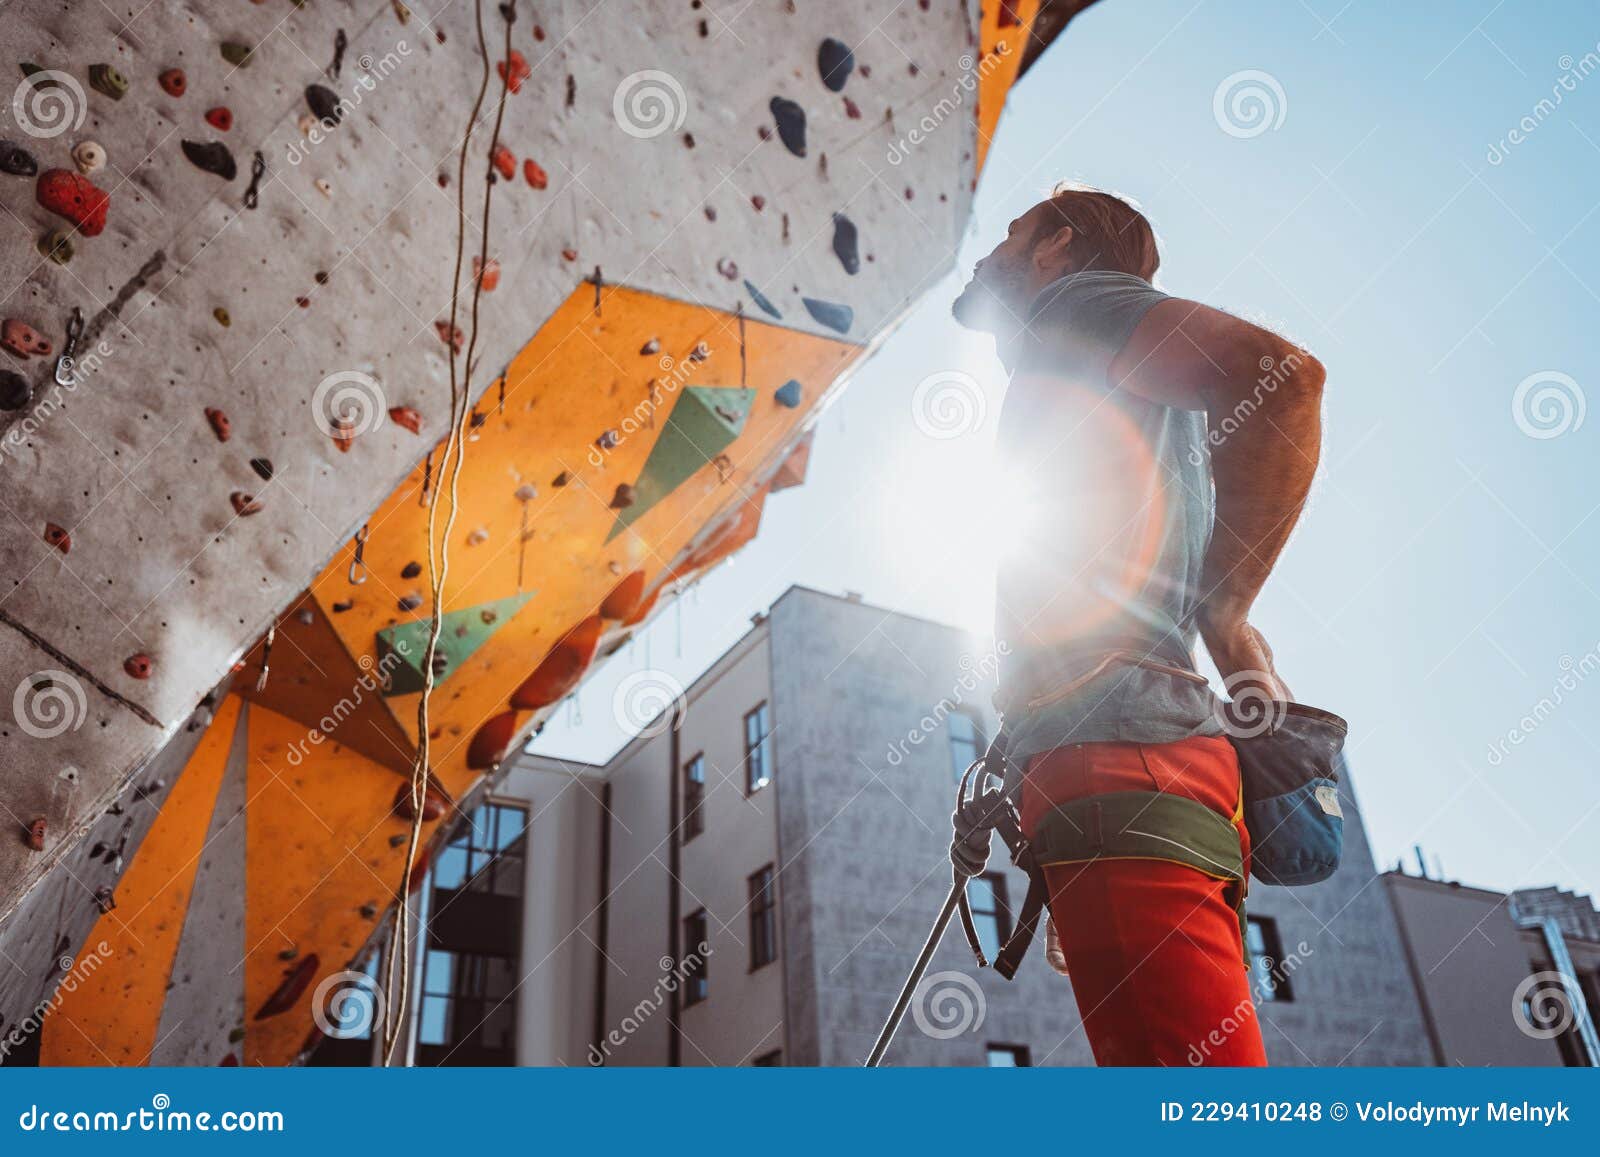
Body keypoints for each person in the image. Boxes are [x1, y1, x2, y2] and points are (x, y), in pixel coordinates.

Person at [952, 183, 1325, 1066]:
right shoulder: (1104, 382)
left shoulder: (1077, 304)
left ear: (1056, 246)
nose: (991, 251)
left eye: (1013, 232)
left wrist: (1228, 611)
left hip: (1124, 762)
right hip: (1122, 770)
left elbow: (1284, 378)